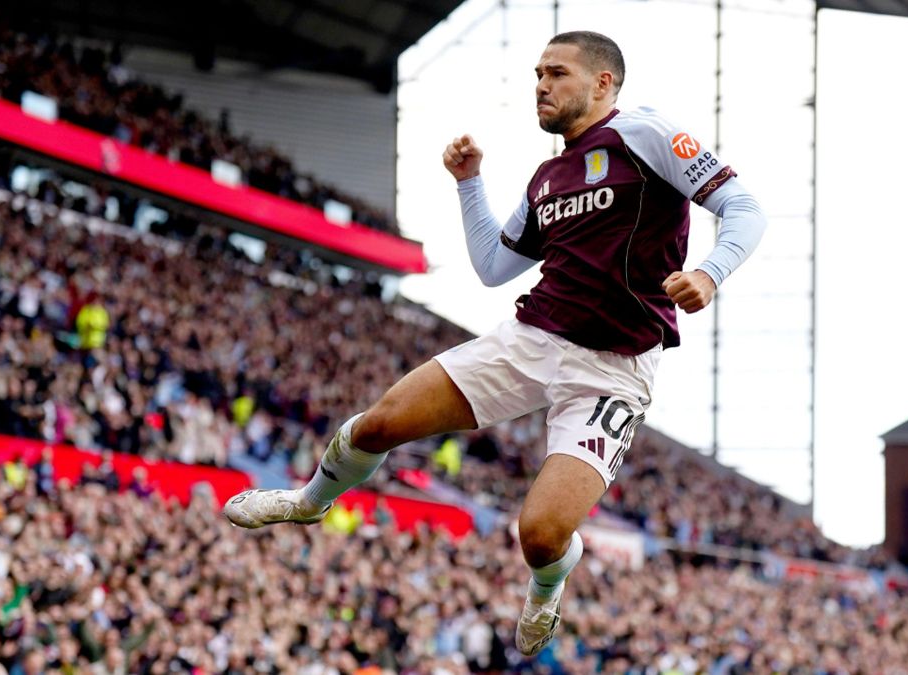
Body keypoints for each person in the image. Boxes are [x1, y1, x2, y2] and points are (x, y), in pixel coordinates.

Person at [223, 30, 767, 656]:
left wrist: (709, 272)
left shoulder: (644, 134)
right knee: (379, 425)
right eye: (538, 72)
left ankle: (545, 590)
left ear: (602, 83)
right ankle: (306, 502)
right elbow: (492, 265)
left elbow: (742, 206)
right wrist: (468, 182)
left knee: (539, 535)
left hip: (612, 371)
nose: (541, 84)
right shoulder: (549, 176)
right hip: (530, 340)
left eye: (557, 73)